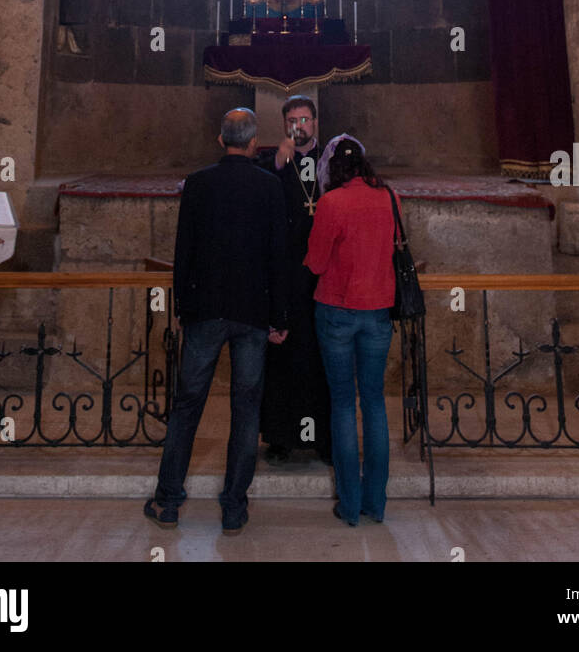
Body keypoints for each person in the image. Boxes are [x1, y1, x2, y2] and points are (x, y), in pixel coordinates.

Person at [144, 108, 288, 535]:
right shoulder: (268, 186)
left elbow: (183, 251)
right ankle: (233, 508)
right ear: (252, 141)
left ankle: (168, 501)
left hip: (204, 311)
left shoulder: (199, 184)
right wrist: (279, 316)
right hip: (253, 313)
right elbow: (278, 257)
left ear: (220, 139)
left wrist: (184, 309)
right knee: (246, 411)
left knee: (187, 406)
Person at [304, 135, 401, 527]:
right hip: (379, 309)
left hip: (338, 311)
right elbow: (394, 245)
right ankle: (375, 503)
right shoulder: (390, 198)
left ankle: (349, 505)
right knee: (374, 402)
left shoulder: (331, 203)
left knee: (343, 404)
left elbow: (314, 262)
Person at [256, 95, 332, 465]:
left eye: (304, 120)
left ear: (315, 123)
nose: (298, 127)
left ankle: (323, 439)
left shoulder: (332, 161)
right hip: (285, 274)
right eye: (292, 121)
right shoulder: (272, 163)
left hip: (322, 275)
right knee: (283, 357)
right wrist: (279, 161)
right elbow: (261, 202)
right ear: (284, 125)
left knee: (320, 358)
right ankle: (282, 437)